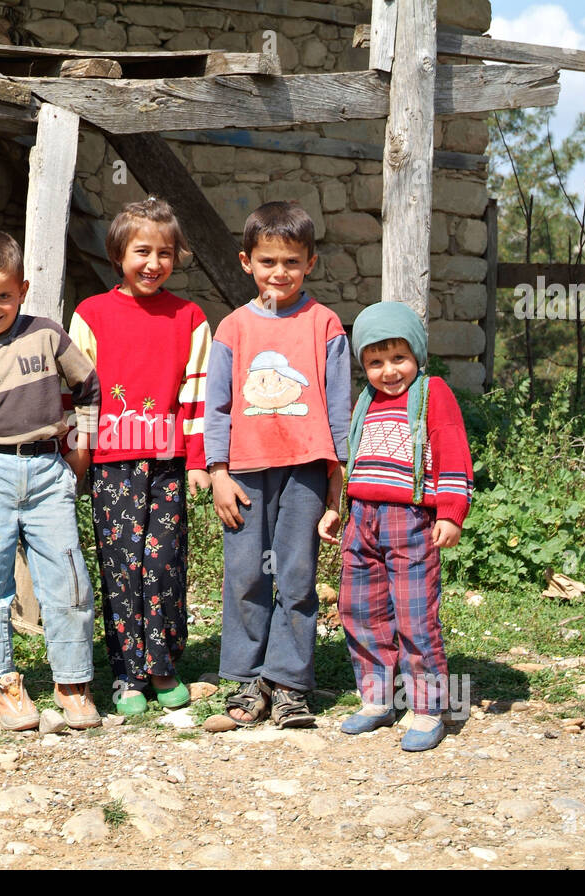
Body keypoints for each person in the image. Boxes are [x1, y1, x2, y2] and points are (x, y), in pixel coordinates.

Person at [0, 230, 103, 731]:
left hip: (48, 466)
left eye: (3, 296)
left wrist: (81, 447)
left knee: (68, 574)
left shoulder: (47, 335)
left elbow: (88, 386)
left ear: (23, 289)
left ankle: (72, 681)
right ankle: (2, 681)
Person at [205, 201, 350, 729]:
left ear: (310, 262)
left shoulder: (325, 324)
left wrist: (338, 483)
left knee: (296, 574)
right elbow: (215, 406)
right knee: (245, 573)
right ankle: (246, 685)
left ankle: (289, 684)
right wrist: (217, 471)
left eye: (291, 261)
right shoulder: (234, 328)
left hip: (307, 469)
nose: (279, 273)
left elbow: (338, 407)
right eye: (268, 261)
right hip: (244, 470)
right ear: (247, 262)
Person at [68, 196, 212, 716]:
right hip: (112, 464)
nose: (154, 263)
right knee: (121, 566)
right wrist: (78, 457)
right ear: (118, 254)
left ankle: (166, 665)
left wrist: (198, 461)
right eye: (142, 251)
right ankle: (128, 673)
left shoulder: (190, 317)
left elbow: (197, 398)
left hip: (169, 462)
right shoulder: (91, 314)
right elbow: (80, 395)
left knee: (165, 563)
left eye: (165, 253)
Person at [319, 301, 474, 752]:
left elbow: (453, 455)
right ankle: (377, 698)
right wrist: (336, 508)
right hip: (362, 518)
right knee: (359, 608)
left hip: (410, 520)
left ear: (418, 355)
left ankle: (427, 707)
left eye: (398, 358)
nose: (388, 371)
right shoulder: (364, 402)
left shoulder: (432, 393)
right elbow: (353, 461)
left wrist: (450, 512)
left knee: (414, 615)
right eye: (375, 361)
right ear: (363, 364)